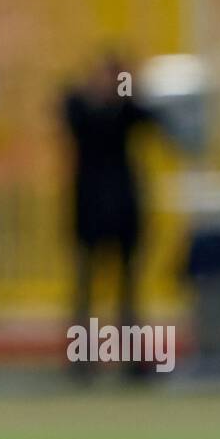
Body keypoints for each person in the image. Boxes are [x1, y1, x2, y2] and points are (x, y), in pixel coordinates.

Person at [62, 53, 156, 376]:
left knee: (127, 290)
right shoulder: (80, 107)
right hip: (89, 209)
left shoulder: (127, 110)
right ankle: (82, 360)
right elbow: (74, 117)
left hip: (123, 210)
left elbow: (149, 119)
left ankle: (132, 361)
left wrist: (126, 93)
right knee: (85, 287)